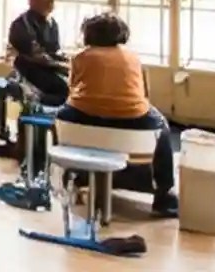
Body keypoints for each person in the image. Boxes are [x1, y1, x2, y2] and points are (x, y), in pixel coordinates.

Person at [58, 13, 179, 218]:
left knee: (62, 111)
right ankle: (165, 196)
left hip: (82, 121)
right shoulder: (133, 58)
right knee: (162, 127)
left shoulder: (80, 57)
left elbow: (72, 88)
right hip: (133, 125)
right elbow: (144, 93)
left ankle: (76, 176)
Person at [8, 0, 69, 104]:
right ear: (31, 0)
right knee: (64, 89)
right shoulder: (21, 24)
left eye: (52, 1)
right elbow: (36, 56)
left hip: (49, 67)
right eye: (47, 1)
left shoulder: (52, 23)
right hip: (29, 68)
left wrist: (66, 61)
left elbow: (53, 50)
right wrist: (60, 65)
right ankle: (33, 99)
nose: (51, 5)